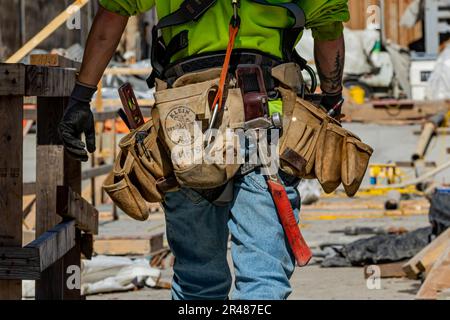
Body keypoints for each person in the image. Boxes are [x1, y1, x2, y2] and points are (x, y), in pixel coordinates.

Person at [58, 0, 349, 300]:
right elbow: (328, 27)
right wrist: (332, 99)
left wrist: (82, 97)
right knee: (263, 280)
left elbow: (114, 12)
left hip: (186, 121)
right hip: (266, 114)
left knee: (198, 282)